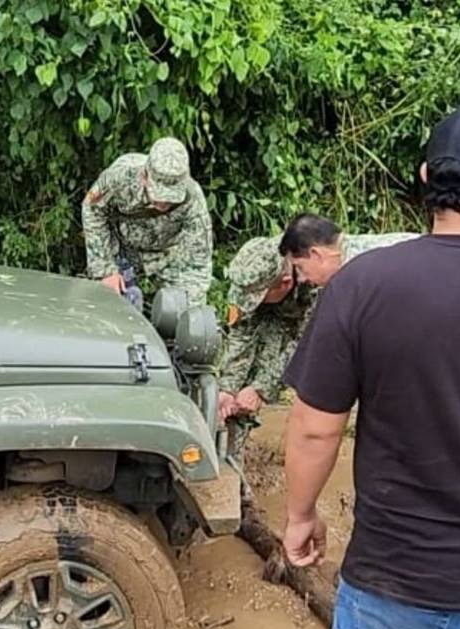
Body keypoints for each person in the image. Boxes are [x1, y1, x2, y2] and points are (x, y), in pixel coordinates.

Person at [282, 97, 460, 629]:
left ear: (426, 178)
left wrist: (301, 516)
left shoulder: (363, 284)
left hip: (399, 584)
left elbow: (315, 426)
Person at [82, 137, 213, 307]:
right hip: (122, 248)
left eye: (171, 197)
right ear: (144, 177)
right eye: (159, 194)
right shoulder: (121, 177)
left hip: (167, 255)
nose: (164, 203)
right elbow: (92, 208)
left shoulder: (193, 198)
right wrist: (105, 269)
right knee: (115, 305)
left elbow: (198, 261)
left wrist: (192, 308)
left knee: (181, 309)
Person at [216, 236, 314, 456]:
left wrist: (261, 389)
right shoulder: (249, 277)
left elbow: (307, 346)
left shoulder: (318, 280)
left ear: (286, 283)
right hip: (279, 310)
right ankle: (230, 453)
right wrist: (227, 388)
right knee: (238, 386)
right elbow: (241, 333)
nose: (248, 301)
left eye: (256, 297)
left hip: (328, 322)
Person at [278, 213, 417, 286]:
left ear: (316, 254)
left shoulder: (356, 273)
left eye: (300, 267)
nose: (301, 278)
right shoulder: (360, 251)